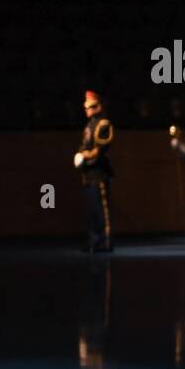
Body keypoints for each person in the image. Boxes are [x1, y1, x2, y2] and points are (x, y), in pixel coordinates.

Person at [74, 90, 114, 252]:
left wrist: (84, 156)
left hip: (99, 172)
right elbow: (85, 145)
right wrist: (80, 154)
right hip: (89, 174)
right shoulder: (89, 125)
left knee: (102, 211)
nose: (87, 109)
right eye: (87, 107)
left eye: (91, 106)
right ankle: (94, 240)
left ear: (99, 107)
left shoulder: (103, 124)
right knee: (92, 210)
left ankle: (106, 241)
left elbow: (101, 148)